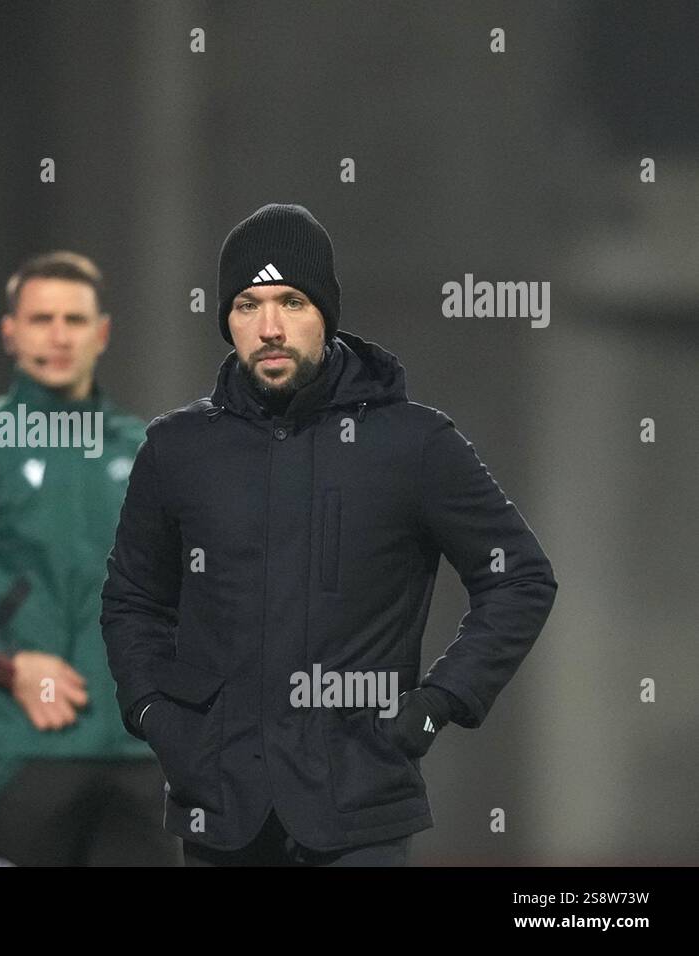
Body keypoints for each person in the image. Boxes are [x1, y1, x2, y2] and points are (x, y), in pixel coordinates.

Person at [101, 203, 557, 866]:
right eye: (248, 305)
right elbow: (134, 599)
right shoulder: (177, 451)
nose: (270, 327)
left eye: (292, 300)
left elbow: (520, 578)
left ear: (328, 313)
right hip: (219, 808)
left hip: (360, 805)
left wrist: (437, 703)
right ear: (226, 321)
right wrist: (154, 714)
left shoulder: (414, 444)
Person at [0, 252, 180, 866]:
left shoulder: (150, 451)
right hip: (21, 748)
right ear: (9, 332)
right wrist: (8, 665)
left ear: (101, 333)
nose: (58, 334)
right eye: (41, 318)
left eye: (74, 319)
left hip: (142, 753)